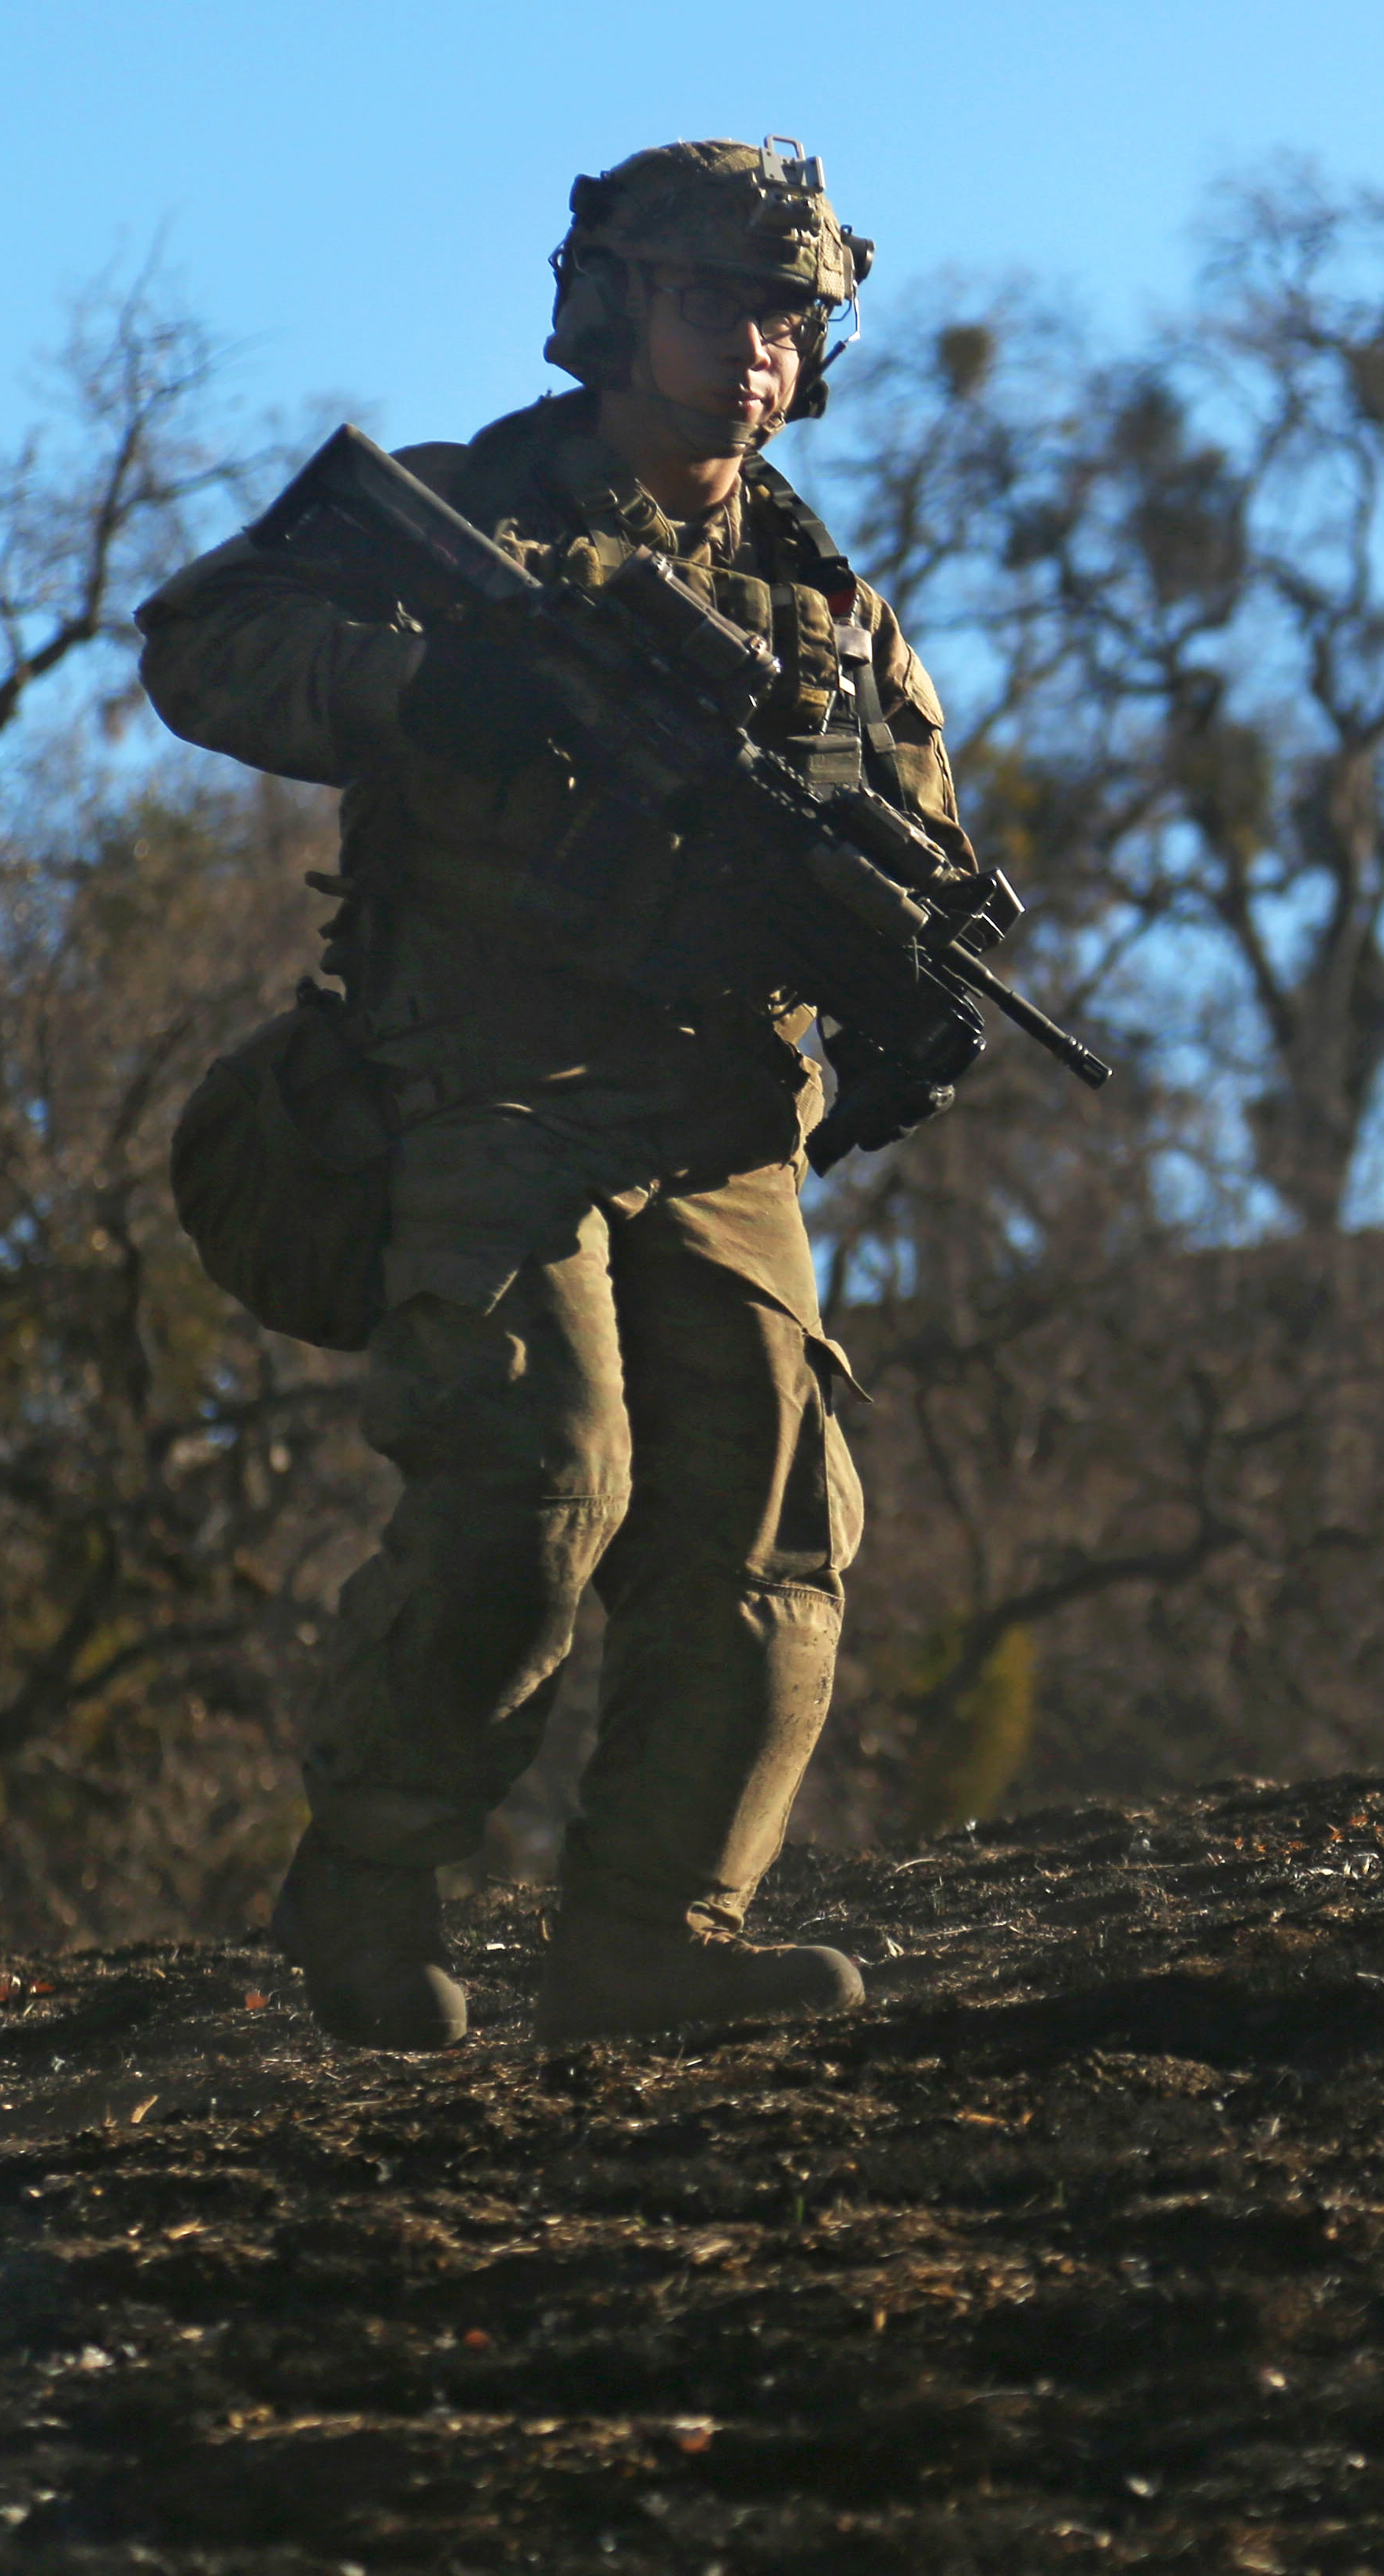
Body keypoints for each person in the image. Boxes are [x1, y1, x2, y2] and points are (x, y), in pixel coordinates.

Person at [138, 139, 969, 2049]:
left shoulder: (826, 602)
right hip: (486, 1076)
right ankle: (366, 1878)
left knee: (770, 1516)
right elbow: (205, 643)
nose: (759, 346)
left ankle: (653, 1929)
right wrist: (418, 696)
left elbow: (915, 849)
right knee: (539, 1476)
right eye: (717, 300)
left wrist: (910, 996)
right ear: (612, 303)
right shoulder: (467, 507)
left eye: (793, 313)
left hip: (722, 1113)